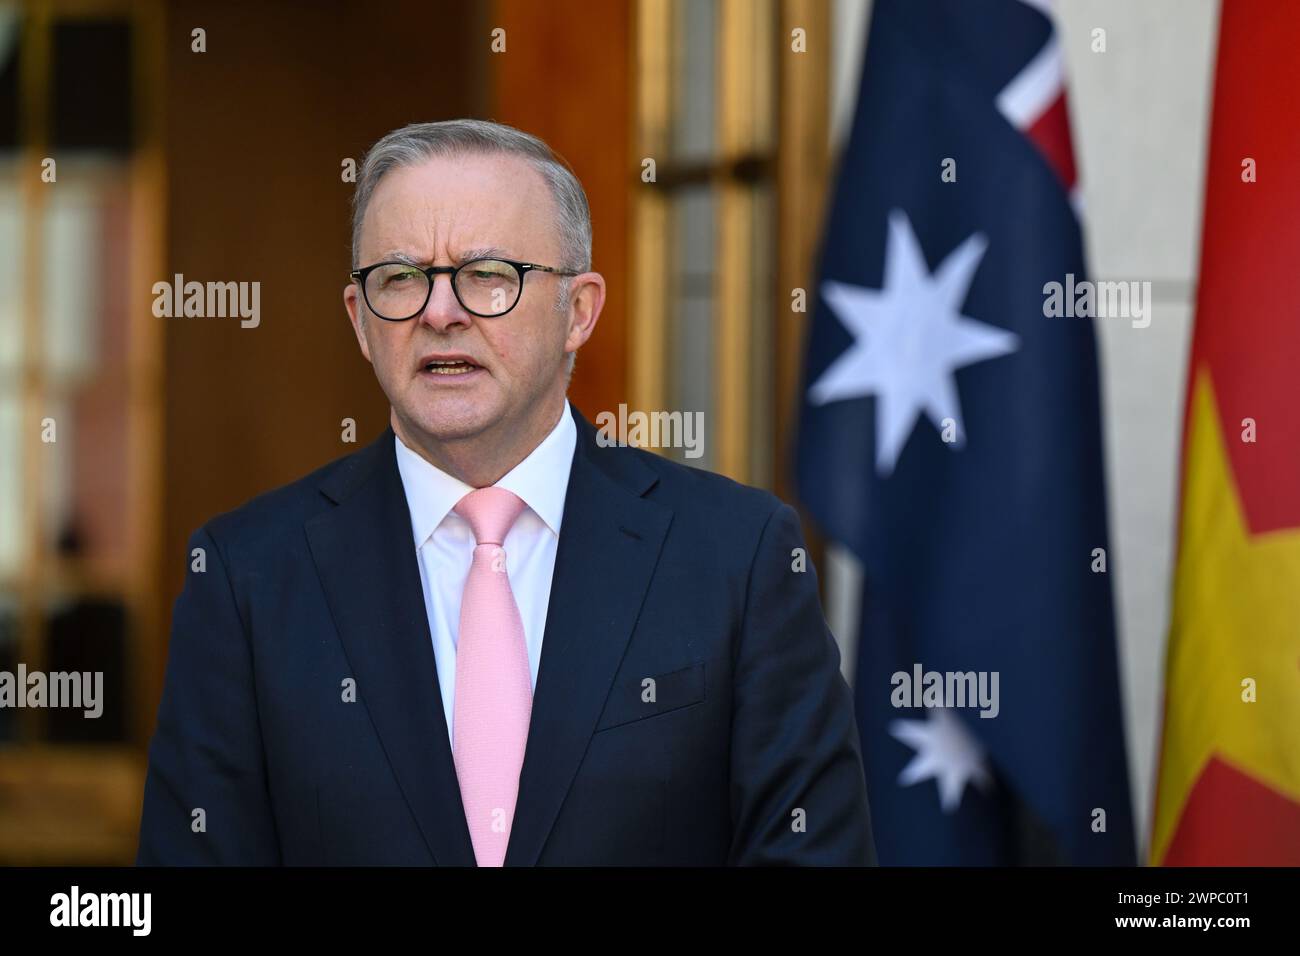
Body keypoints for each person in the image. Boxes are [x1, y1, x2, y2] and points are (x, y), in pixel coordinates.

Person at [136, 119, 875, 866]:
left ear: (578, 312)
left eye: (488, 274)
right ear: (361, 322)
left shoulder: (736, 556)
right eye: (400, 278)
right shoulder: (245, 576)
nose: (439, 312)